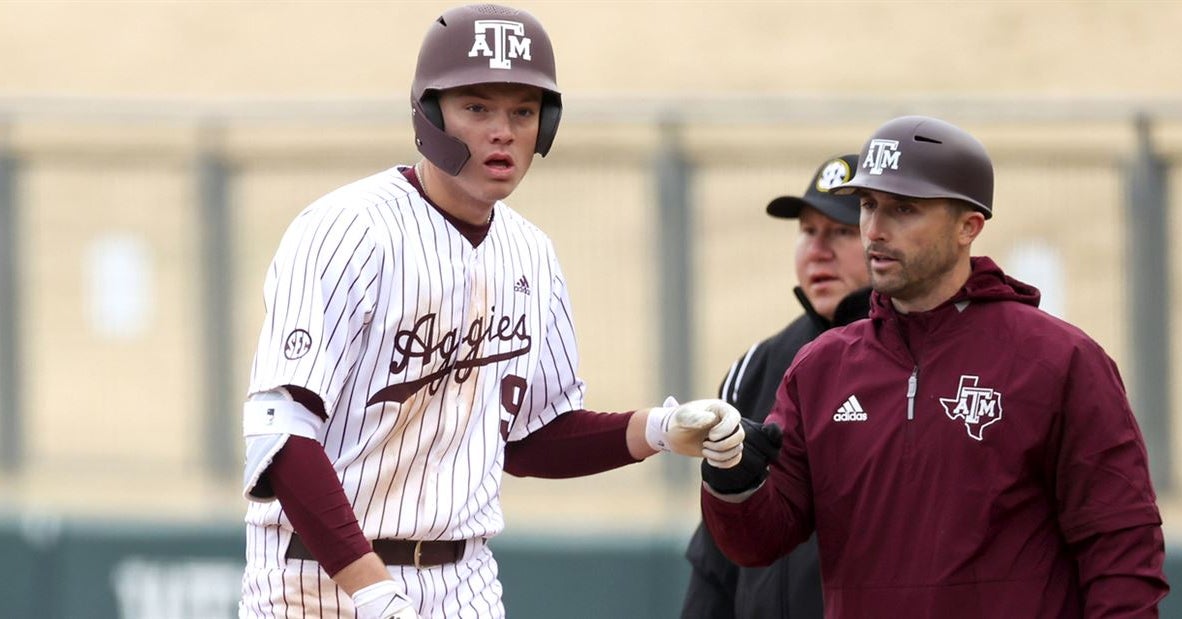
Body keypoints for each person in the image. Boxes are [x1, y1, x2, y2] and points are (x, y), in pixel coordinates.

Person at [236, 5, 743, 619]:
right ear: (429, 115)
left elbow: (533, 437)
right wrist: (371, 590)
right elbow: (279, 430)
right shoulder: (349, 229)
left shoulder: (529, 251)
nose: (502, 130)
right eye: (477, 107)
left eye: (522, 111)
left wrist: (657, 430)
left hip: (464, 581)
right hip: (317, 579)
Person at [700, 115, 1169, 617]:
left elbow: (1119, 547)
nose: (875, 230)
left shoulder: (1059, 360)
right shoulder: (819, 368)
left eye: (904, 209)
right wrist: (735, 480)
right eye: (868, 206)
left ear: (969, 226)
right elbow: (761, 542)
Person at [681, 154, 871, 619]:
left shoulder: (910, 367)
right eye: (808, 230)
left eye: (842, 231)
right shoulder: (756, 366)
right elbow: (715, 554)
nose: (818, 250)